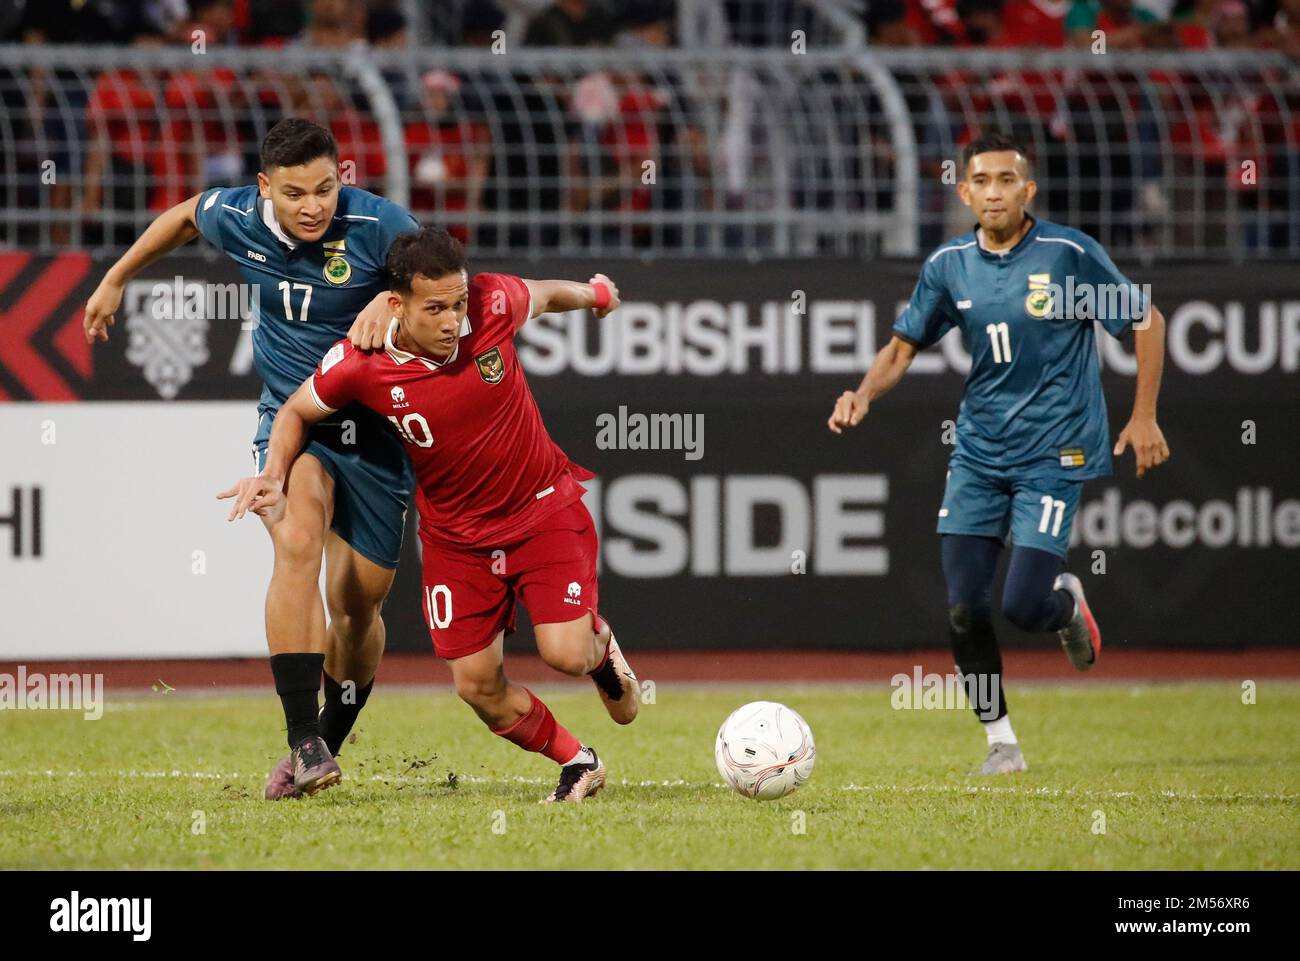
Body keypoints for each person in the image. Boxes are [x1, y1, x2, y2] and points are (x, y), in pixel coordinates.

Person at [224, 226, 640, 803]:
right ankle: (579, 760)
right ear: (397, 305)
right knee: (476, 685)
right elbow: (295, 411)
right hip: (454, 539)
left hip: (541, 510)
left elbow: (545, 294)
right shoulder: (361, 363)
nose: (453, 320)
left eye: (458, 303)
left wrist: (595, 294)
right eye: (437, 308)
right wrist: (273, 475)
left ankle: (598, 651)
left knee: (564, 655)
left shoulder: (492, 303)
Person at [85, 118, 420, 799]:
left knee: (357, 607)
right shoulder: (237, 215)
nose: (313, 206)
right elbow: (182, 218)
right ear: (265, 188)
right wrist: (117, 277)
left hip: (378, 432)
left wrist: (395, 298)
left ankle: (327, 734)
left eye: (326, 188)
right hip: (295, 421)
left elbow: (445, 293)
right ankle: (303, 740)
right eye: (296, 193)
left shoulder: (384, 227)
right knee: (295, 541)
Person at [828, 131, 1170, 774]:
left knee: (1022, 605)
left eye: (1006, 180)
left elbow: (1146, 321)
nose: (993, 191)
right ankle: (1000, 742)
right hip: (980, 453)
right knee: (963, 607)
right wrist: (863, 392)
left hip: (1054, 451)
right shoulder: (949, 265)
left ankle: (1064, 603)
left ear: (1027, 190)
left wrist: (1144, 414)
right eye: (980, 180)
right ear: (964, 191)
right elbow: (903, 347)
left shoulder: (1068, 255)